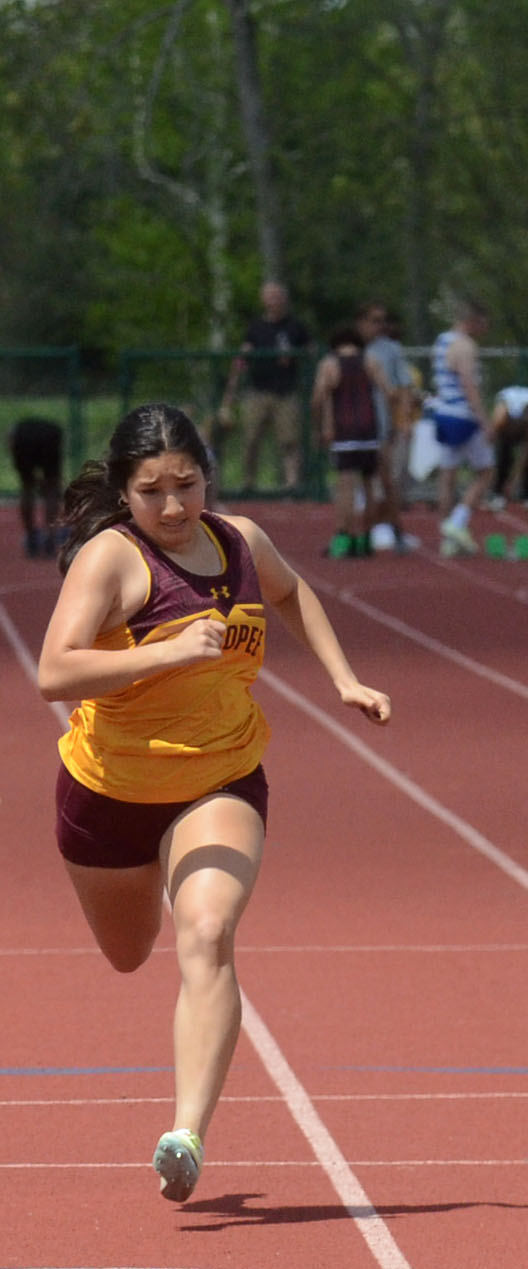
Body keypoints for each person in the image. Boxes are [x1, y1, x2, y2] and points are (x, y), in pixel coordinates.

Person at [34, 404, 391, 1203]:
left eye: (187, 485)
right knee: (130, 953)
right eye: (151, 491)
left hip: (219, 776)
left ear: (208, 477)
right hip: (108, 790)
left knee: (209, 931)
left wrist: (343, 678)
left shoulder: (240, 542)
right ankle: (149, 886)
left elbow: (293, 595)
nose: (172, 507)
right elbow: (53, 673)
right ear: (124, 493)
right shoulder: (112, 560)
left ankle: (185, 1133)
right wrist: (164, 652)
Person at [425, 297, 508, 559]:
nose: (486, 328)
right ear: (473, 320)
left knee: (448, 475)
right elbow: (469, 386)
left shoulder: (442, 341)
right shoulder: (465, 346)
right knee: (485, 471)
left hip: (444, 412)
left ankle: (448, 537)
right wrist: (485, 422)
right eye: (484, 322)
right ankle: (457, 522)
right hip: (463, 416)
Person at [218, 280, 311, 493]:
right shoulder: (255, 328)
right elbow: (242, 358)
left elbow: (310, 353)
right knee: (251, 439)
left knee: (289, 440)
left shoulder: (296, 327)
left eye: (277, 296)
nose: (273, 300)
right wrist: (231, 391)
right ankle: (248, 482)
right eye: (269, 296)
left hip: (286, 392)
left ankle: (292, 484)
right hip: (257, 391)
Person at [309, 325, 393, 559]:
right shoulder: (370, 360)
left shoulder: (329, 364)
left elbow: (318, 398)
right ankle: (366, 539)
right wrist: (390, 425)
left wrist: (321, 426)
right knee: (369, 486)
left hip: (344, 431)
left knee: (345, 486)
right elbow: (389, 391)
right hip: (369, 430)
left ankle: (342, 538)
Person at [358, 302, 415, 552]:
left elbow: (403, 387)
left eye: (383, 320)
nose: (379, 326)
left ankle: (394, 528)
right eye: (374, 320)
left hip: (380, 424)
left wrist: (403, 421)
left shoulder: (391, 350)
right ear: (361, 322)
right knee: (360, 482)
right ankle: (367, 532)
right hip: (353, 425)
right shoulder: (350, 349)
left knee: (387, 480)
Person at [11, 416, 64, 559]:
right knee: (52, 488)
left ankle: (31, 536)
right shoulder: (53, 432)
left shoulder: (17, 433)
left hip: (23, 438)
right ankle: (50, 538)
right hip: (48, 437)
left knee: (27, 486)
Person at [491, 382, 528, 515]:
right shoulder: (500, 416)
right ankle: (498, 494)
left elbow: (527, 451)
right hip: (507, 419)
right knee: (503, 455)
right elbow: (490, 441)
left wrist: (515, 479)